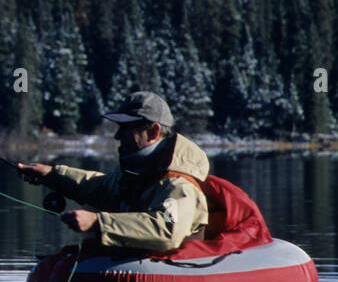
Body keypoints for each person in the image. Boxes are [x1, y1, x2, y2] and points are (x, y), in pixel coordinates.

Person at [17, 91, 210, 254]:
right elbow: (98, 187)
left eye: (126, 129)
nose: (117, 135)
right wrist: (51, 174)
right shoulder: (138, 173)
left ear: (153, 132)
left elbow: (167, 230)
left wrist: (98, 222)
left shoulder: (179, 184)